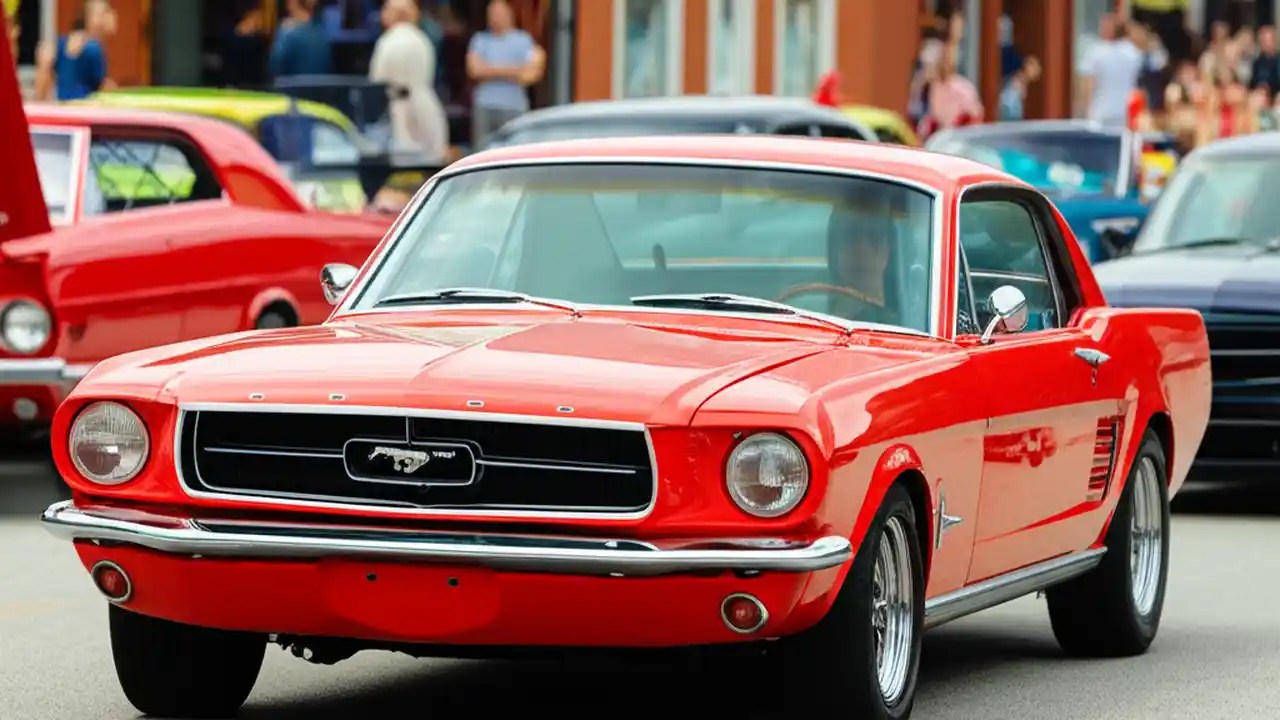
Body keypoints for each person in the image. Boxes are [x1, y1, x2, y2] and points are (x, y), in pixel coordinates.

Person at [369, 0, 448, 161]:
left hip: (398, 109)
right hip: (427, 105)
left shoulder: (387, 41)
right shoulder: (423, 40)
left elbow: (377, 81)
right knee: (429, 161)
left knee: (404, 163)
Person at [466, 0, 545, 148]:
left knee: (514, 149)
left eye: (498, 14)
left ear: (509, 15)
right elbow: (474, 70)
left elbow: (529, 75)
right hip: (485, 105)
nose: (494, 18)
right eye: (491, 14)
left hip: (513, 106)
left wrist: (489, 71)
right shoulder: (480, 40)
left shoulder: (524, 40)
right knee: (481, 150)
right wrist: (514, 70)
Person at [34, 0, 117, 102]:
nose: (113, 15)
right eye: (106, 12)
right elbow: (98, 88)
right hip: (84, 110)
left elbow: (46, 64)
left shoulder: (64, 42)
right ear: (91, 18)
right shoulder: (94, 48)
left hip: (64, 108)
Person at [1079, 14, 1143, 128]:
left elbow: (1088, 84)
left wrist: (1087, 110)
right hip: (1126, 111)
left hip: (1100, 112)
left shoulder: (1095, 52)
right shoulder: (1133, 52)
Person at [268, 0, 332, 78]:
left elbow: (273, 69)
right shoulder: (323, 32)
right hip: (321, 89)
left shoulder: (287, 32)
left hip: (288, 89)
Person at [1251, 26, 1279, 99]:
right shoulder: (1257, 63)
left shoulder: (1277, 61)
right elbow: (1252, 83)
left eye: (1267, 40)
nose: (1264, 44)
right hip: (1258, 97)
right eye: (1262, 41)